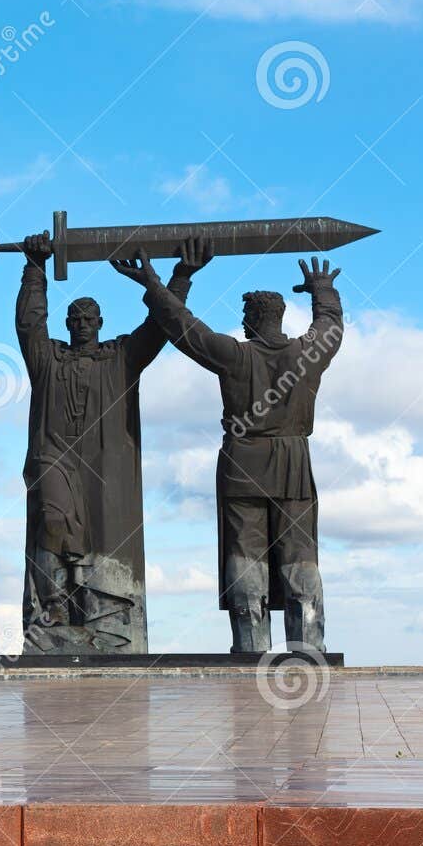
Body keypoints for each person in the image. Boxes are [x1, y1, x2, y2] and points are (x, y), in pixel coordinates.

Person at [110, 249, 343, 653]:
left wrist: (153, 284)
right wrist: (322, 290)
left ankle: (252, 650)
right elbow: (331, 324)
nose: (242, 322)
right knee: (300, 555)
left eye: (245, 316)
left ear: (252, 320)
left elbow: (184, 328)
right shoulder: (307, 354)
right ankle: (308, 650)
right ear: (281, 317)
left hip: (244, 465)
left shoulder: (236, 355)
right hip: (292, 464)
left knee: (246, 555)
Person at [14, 234, 210, 653]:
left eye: (89, 318)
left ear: (100, 323)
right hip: (54, 457)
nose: (82, 323)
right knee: (52, 521)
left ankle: (100, 621)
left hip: (106, 466)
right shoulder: (47, 359)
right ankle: (53, 612)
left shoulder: (121, 356)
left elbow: (160, 327)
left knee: (104, 541)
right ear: (67, 324)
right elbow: (30, 324)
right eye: (76, 318)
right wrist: (35, 270)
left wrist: (180, 277)